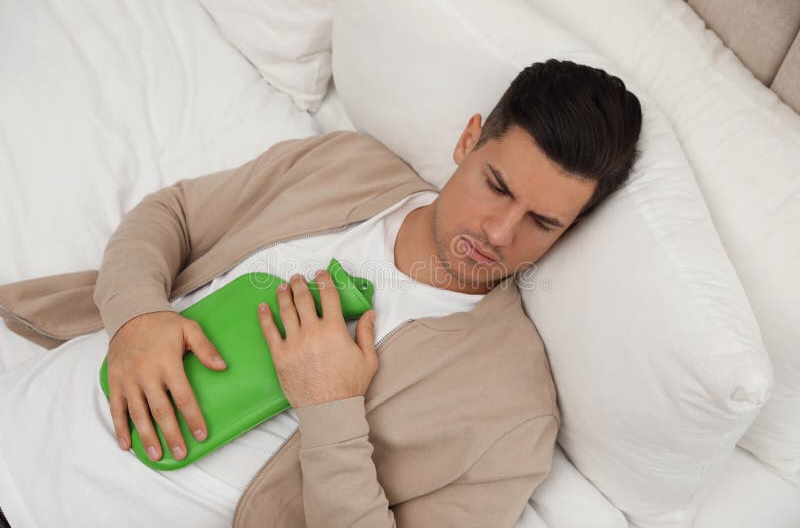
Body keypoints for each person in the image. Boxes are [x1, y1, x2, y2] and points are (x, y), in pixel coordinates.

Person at [0, 59, 641, 527]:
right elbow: (173, 215)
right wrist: (138, 314)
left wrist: (330, 409)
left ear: (572, 230)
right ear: (468, 140)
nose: (499, 232)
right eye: (496, 185)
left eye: (543, 222)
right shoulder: (348, 165)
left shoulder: (512, 413)